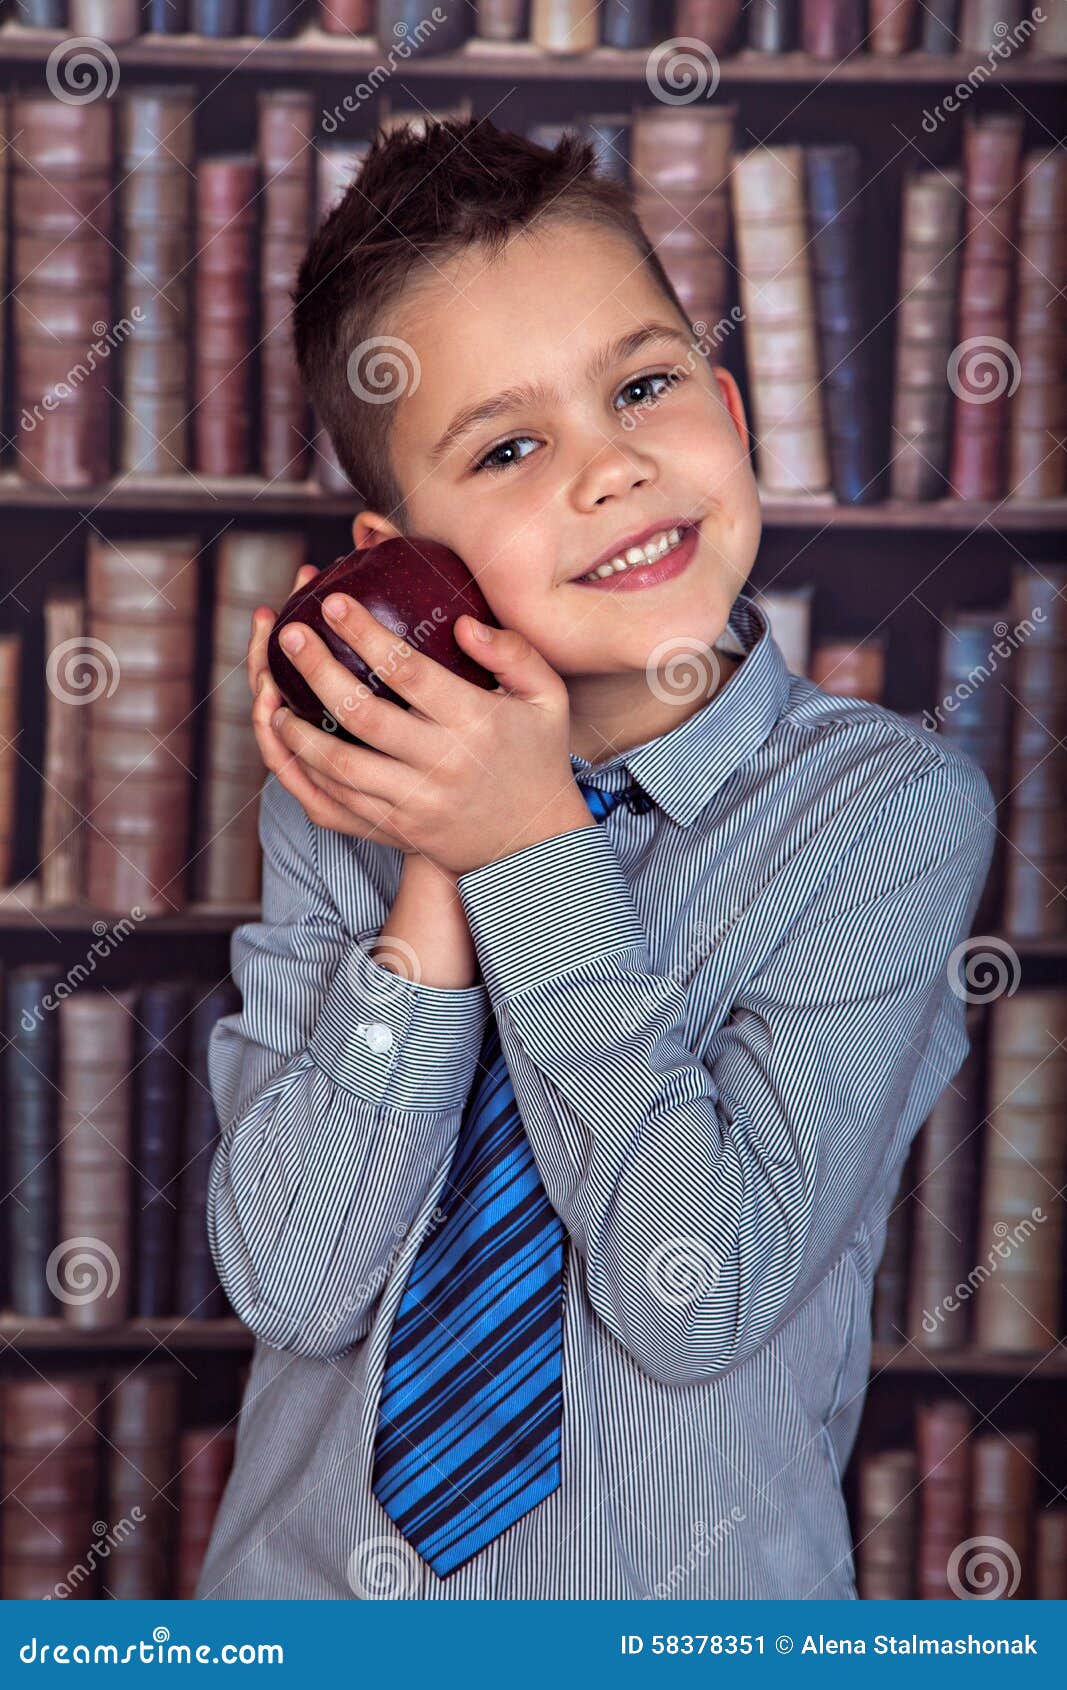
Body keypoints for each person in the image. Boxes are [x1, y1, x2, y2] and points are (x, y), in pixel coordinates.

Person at [196, 116, 996, 1599]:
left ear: (734, 420)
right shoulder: (338, 804)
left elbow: (697, 1293)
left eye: (642, 386)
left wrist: (529, 847)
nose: (613, 468)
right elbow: (299, 1281)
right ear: (400, 554)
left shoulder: (887, 812)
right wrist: (445, 859)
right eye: (509, 445)